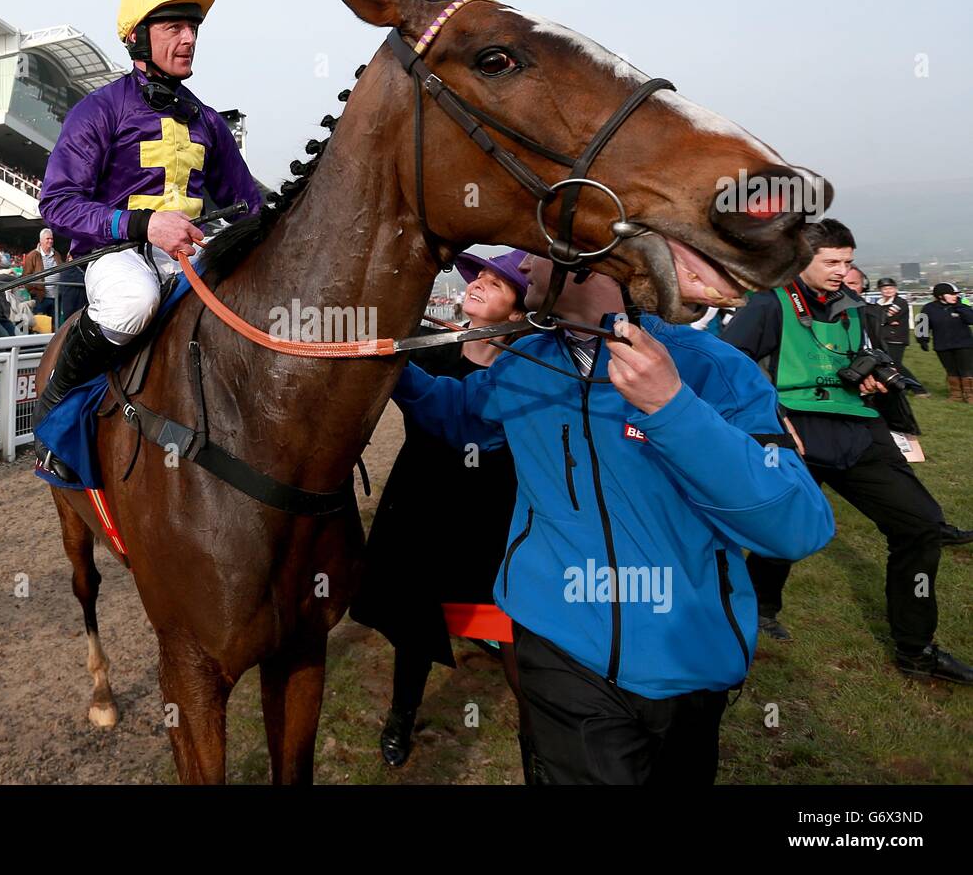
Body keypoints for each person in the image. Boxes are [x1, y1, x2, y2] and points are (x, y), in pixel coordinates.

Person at [390, 253, 834, 784]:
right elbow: (461, 414)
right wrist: (385, 362)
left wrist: (672, 407)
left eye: (533, 250)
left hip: (691, 655)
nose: (523, 268)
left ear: (587, 261)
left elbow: (796, 527)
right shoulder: (524, 361)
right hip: (560, 644)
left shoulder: (710, 367)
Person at [722, 219, 972, 683]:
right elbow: (726, 367)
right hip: (793, 429)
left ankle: (916, 650)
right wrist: (772, 423)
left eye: (849, 262)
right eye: (832, 262)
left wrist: (871, 377)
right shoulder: (767, 303)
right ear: (800, 260)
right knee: (786, 533)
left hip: (857, 426)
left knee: (920, 526)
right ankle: (759, 609)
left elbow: (858, 361)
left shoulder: (855, 308)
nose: (843, 271)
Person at [35, 0, 262, 482]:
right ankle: (56, 409)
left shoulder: (208, 119)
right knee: (132, 305)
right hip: (117, 253)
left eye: (194, 29)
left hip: (195, 250)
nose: (189, 39)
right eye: (174, 28)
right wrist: (142, 224)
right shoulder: (98, 110)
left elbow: (247, 203)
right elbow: (58, 203)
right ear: (138, 36)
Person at [350, 249, 528, 770]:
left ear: (519, 313)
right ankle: (401, 715)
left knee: (512, 617)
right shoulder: (425, 355)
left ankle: (543, 730)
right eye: (480, 277)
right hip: (422, 504)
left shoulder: (530, 371)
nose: (477, 284)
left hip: (492, 507)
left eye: (497, 284)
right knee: (415, 622)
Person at [916, 282, 973, 403]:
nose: (955, 296)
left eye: (956, 294)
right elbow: (922, 325)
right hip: (942, 346)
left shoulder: (962, 304)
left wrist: (959, 305)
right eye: (951, 294)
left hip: (964, 344)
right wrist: (922, 340)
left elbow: (970, 319)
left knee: (967, 371)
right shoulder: (928, 308)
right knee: (951, 371)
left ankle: (970, 396)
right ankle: (956, 395)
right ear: (940, 295)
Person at [876, 277, 927, 396]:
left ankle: (918, 389)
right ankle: (901, 387)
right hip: (884, 338)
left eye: (890, 288)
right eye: (884, 289)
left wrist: (884, 320)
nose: (888, 291)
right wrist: (885, 320)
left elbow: (886, 317)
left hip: (896, 339)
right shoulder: (879, 303)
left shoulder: (900, 302)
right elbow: (877, 318)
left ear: (895, 289)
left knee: (896, 364)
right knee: (888, 365)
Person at [22, 228, 64, 322]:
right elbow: (25, 276)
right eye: (48, 239)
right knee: (40, 326)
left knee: (55, 326)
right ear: (41, 241)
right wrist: (34, 292)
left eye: (52, 239)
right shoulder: (32, 256)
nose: (50, 241)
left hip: (56, 297)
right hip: (41, 298)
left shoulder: (56, 254)